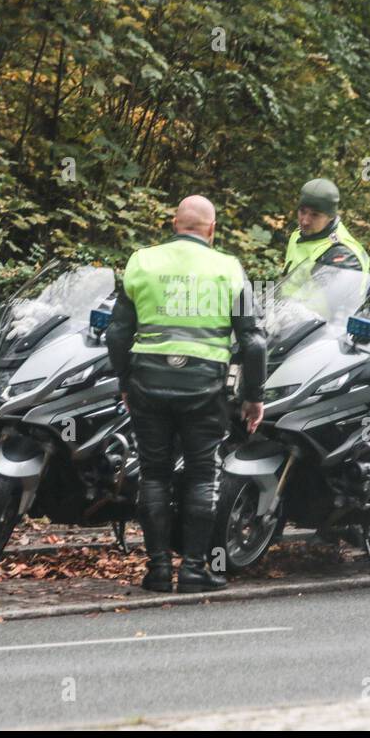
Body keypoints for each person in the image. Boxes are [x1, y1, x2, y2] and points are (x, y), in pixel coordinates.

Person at [106, 195, 267, 593]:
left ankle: (157, 569)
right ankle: (194, 569)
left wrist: (125, 382)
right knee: (201, 476)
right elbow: (254, 343)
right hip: (205, 387)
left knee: (153, 473)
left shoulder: (141, 261)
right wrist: (253, 396)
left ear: (175, 223)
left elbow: (116, 333)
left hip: (148, 383)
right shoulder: (230, 268)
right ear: (211, 230)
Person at [283, 178, 370, 276]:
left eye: (315, 215)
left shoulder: (341, 255)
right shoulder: (298, 234)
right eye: (302, 211)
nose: (305, 221)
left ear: (330, 217)